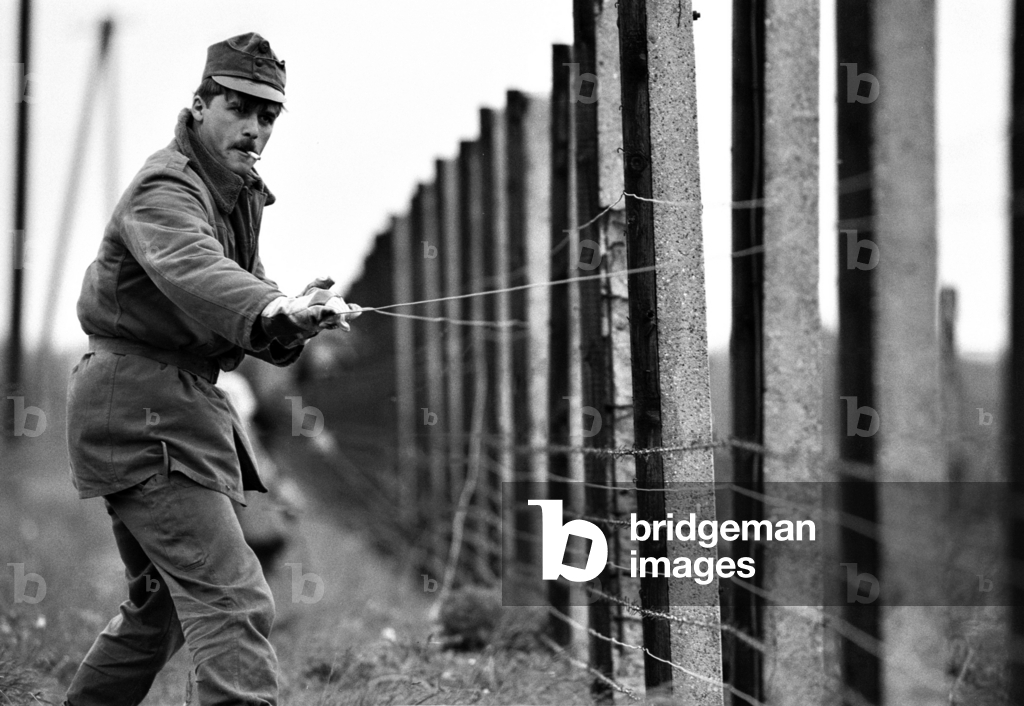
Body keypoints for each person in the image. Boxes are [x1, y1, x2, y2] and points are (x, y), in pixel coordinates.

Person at [61, 32, 358, 706]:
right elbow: (193, 269)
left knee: (160, 610)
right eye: (239, 107)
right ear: (199, 103)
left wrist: (294, 314)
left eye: (269, 116)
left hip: (175, 405)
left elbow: (243, 287)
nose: (255, 128)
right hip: (141, 408)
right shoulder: (167, 186)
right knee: (233, 597)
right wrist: (272, 307)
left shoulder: (233, 193)